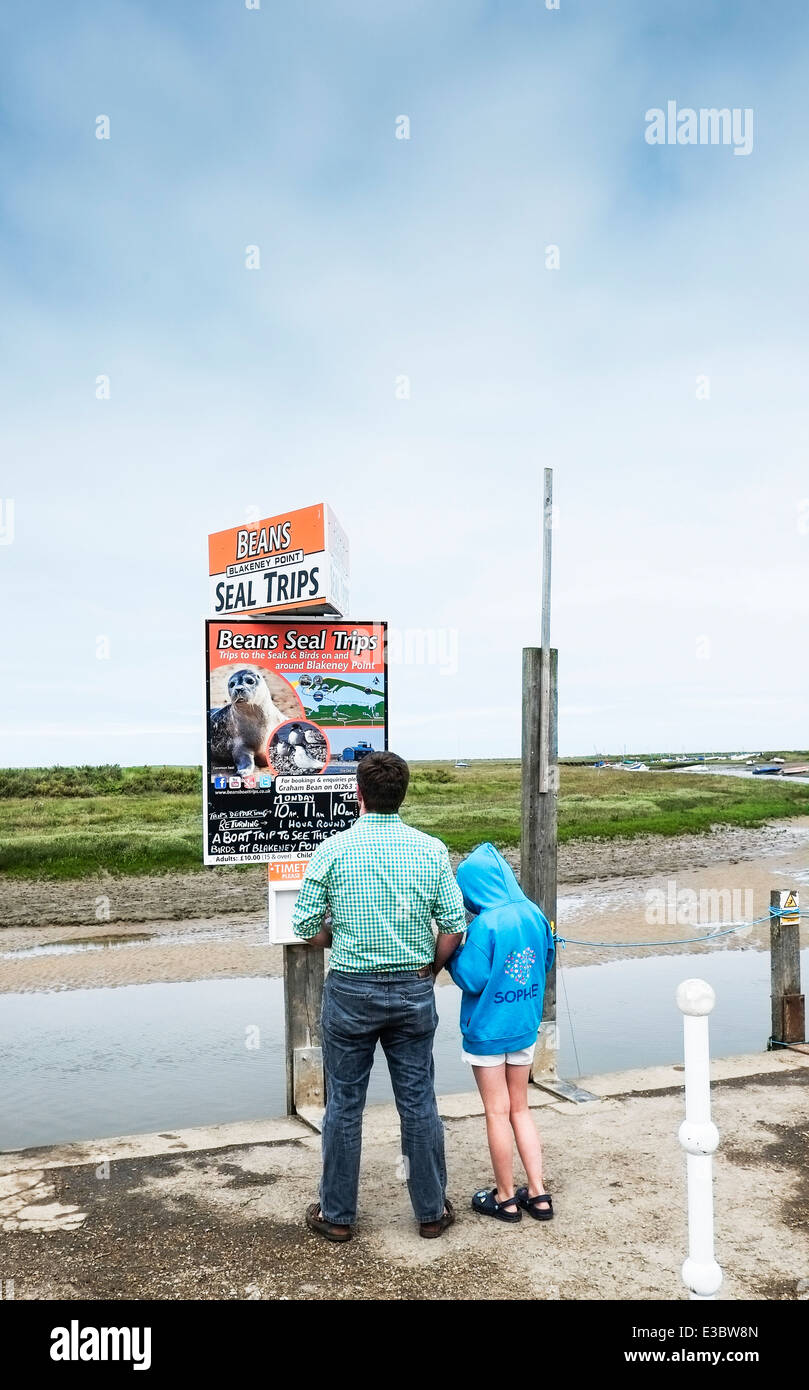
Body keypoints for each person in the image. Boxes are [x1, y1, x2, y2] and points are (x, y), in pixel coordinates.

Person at [291, 750, 466, 1242]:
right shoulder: (429, 849)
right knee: (418, 1101)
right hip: (413, 988)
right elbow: (454, 925)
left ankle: (337, 1215)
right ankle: (431, 1212)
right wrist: (430, 967)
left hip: (350, 991)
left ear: (359, 795)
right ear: (402, 793)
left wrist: (338, 936)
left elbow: (305, 927)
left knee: (345, 1104)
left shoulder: (333, 850)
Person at [446, 842, 556, 1223]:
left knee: (496, 1111)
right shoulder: (534, 913)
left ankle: (506, 1197)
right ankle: (539, 1194)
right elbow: (547, 960)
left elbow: (470, 978)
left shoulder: (484, 924)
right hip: (524, 1025)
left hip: (488, 1030)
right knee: (521, 1108)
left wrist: (454, 953)